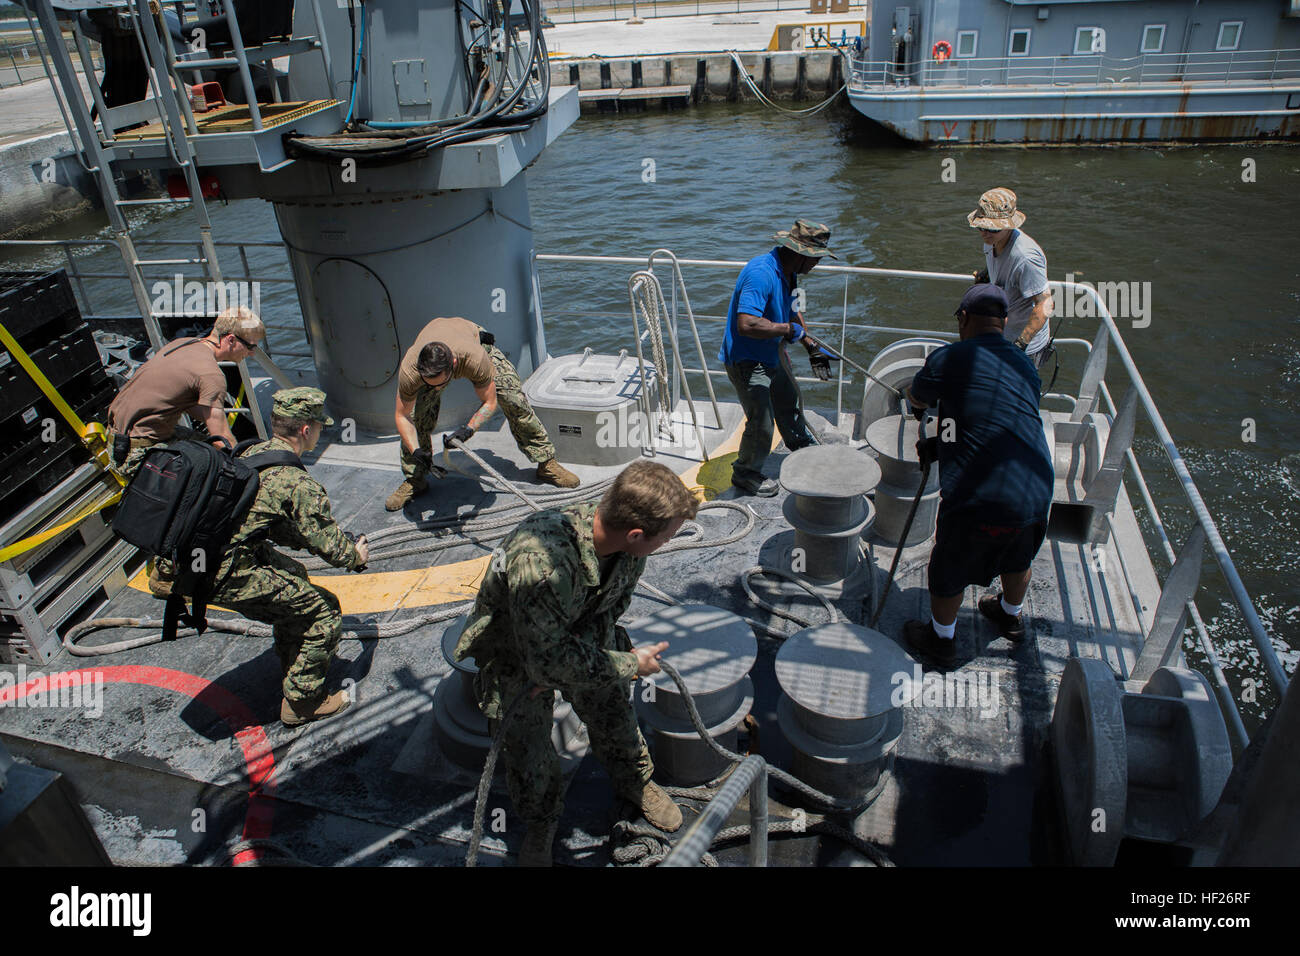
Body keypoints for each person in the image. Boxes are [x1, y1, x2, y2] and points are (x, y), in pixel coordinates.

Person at [455, 460, 700, 866]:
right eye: (665, 538)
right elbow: (543, 657)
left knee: (613, 709)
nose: (666, 544)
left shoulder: (623, 544)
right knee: (527, 748)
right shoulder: (543, 561)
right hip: (515, 649)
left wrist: (582, 665)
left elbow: (609, 610)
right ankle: (541, 823)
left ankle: (634, 780)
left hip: (576, 629)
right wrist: (629, 664)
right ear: (637, 534)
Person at [902, 284, 1055, 667]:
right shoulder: (1023, 364)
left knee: (948, 566)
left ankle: (940, 639)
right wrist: (944, 442)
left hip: (979, 498)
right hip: (1035, 487)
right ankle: (1009, 614)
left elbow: (918, 398)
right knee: (1018, 555)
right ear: (1003, 323)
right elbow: (994, 418)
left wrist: (925, 413)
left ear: (963, 319)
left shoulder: (951, 356)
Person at [209, 387, 369, 727]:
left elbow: (273, 524)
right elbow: (334, 550)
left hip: (208, 554)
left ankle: (293, 659)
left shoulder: (252, 450)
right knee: (324, 610)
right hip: (225, 569)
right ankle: (303, 703)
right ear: (306, 430)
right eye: (319, 427)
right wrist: (356, 555)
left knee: (294, 575)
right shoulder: (297, 482)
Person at [386, 316, 579, 511]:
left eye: (442, 383)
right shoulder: (411, 371)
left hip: (472, 338)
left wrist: (468, 430)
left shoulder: (473, 358)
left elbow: (490, 401)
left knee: (513, 399)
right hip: (439, 349)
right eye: (430, 383)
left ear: (454, 363)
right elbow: (402, 415)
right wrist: (416, 450)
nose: (437, 388)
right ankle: (415, 479)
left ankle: (546, 463)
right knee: (418, 417)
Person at [718, 219, 834, 497]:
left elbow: (793, 310)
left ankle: (800, 446)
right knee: (761, 423)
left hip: (772, 353)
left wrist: (810, 345)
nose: (817, 264)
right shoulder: (761, 273)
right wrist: (786, 329)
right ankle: (745, 474)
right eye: (816, 258)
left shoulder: (790, 271)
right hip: (747, 360)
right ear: (801, 253)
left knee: (789, 401)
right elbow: (746, 323)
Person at [106, 305, 264, 478]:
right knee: (219, 469)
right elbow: (221, 436)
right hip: (137, 455)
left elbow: (178, 400)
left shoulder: (181, 344)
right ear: (231, 340)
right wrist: (247, 470)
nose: (251, 354)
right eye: (250, 347)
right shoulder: (211, 374)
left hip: (115, 440)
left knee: (204, 444)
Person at [968, 188, 1054, 369]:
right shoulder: (992, 240)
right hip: (1003, 334)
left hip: (1025, 346)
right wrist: (986, 275)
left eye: (993, 228)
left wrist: (1020, 346)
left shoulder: (1026, 258)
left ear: (1009, 226)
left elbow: (1045, 305)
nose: (985, 233)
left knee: (1018, 394)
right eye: (981, 227)